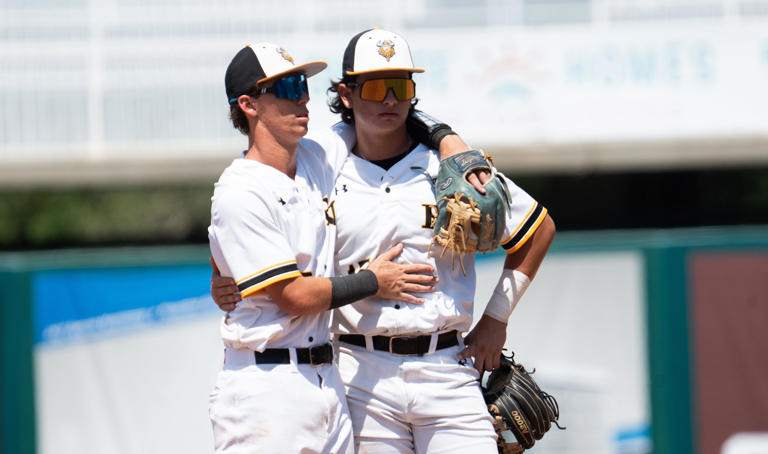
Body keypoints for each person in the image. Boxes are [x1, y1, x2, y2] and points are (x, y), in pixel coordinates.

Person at [212, 29, 556, 453]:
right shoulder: (319, 160)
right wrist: (224, 276)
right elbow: (246, 208)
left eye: (402, 86)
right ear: (347, 93)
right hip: (359, 373)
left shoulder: (449, 167)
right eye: (376, 87)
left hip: (445, 363)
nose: (390, 99)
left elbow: (538, 228)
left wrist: (496, 320)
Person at [207, 42, 439, 454]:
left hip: (327, 381)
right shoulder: (240, 190)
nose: (303, 98)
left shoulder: (316, 157)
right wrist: (372, 281)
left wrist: (451, 142)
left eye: (304, 85)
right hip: (266, 389)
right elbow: (294, 296)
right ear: (248, 104)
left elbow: (385, 117)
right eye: (288, 86)